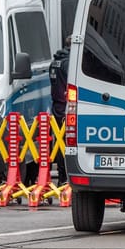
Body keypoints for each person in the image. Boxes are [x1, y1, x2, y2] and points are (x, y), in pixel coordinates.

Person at [49, 36, 71, 185]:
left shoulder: (55, 62)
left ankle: (61, 177)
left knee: (59, 142)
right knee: (67, 144)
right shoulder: (69, 63)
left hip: (57, 106)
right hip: (66, 107)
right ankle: (65, 178)